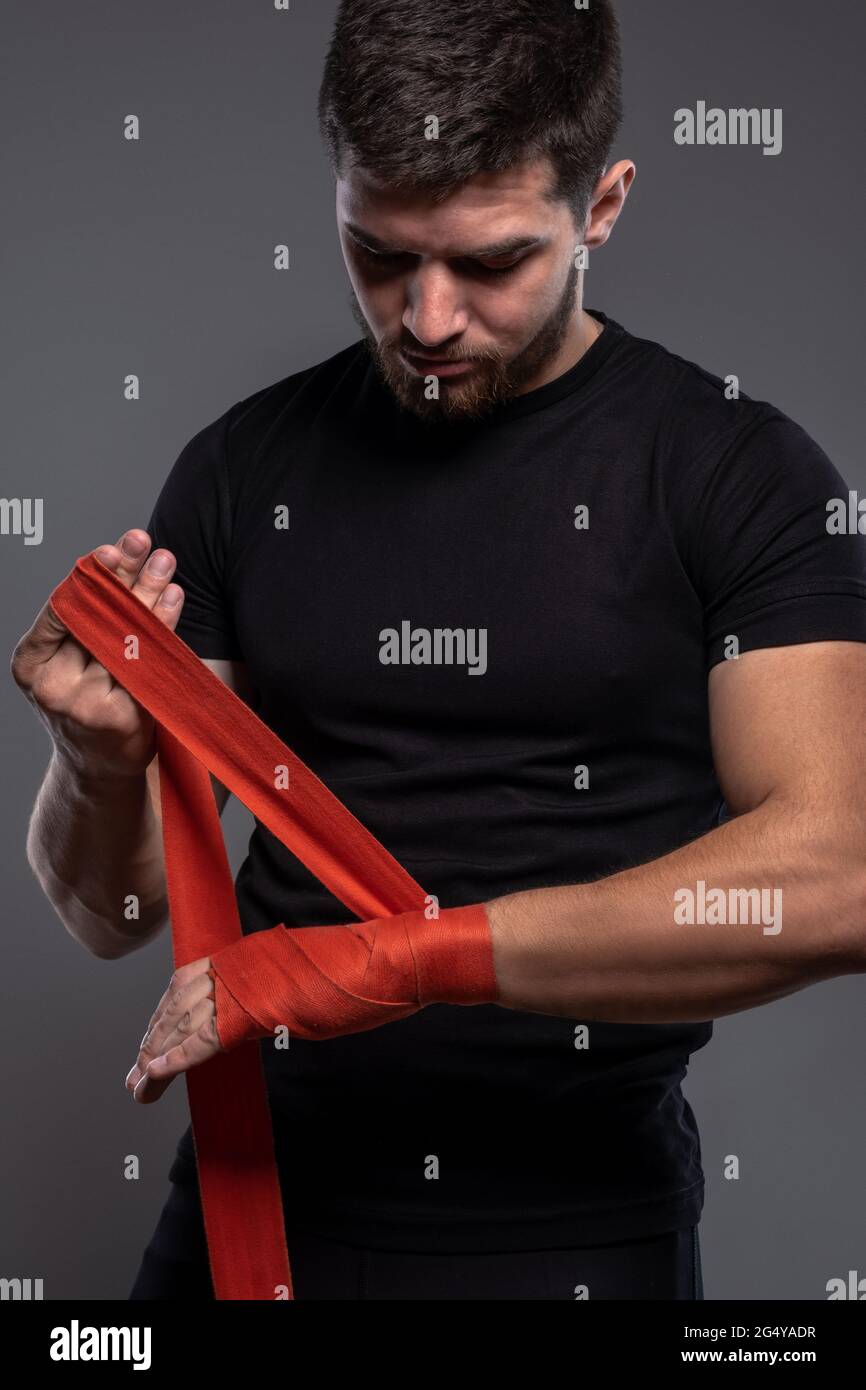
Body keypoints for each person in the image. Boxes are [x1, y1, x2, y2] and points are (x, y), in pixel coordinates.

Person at [13, 0, 866, 1301]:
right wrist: (96, 758)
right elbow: (116, 918)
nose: (423, 318)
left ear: (604, 207)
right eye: (375, 252)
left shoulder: (732, 473)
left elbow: (840, 873)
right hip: (250, 1220)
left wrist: (398, 957)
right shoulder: (245, 472)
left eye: (489, 263)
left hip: (573, 1233)